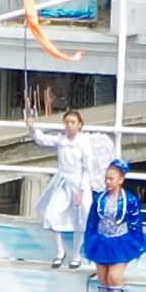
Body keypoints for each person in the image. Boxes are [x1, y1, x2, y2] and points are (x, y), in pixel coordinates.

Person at [30, 109, 118, 269]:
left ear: (79, 125)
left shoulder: (83, 143)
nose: (69, 126)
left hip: (80, 184)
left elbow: (87, 168)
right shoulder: (61, 140)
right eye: (67, 122)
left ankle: (76, 255)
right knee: (51, 214)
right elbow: (43, 140)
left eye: (73, 123)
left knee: (81, 219)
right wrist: (33, 128)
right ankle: (60, 252)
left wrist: (82, 190)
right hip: (63, 182)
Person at [80, 160, 146, 292]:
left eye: (111, 178)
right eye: (106, 178)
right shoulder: (99, 199)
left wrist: (136, 242)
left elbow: (136, 222)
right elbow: (92, 220)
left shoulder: (129, 200)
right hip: (102, 240)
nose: (108, 182)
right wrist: (90, 238)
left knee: (114, 276)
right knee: (103, 278)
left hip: (121, 241)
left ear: (120, 179)